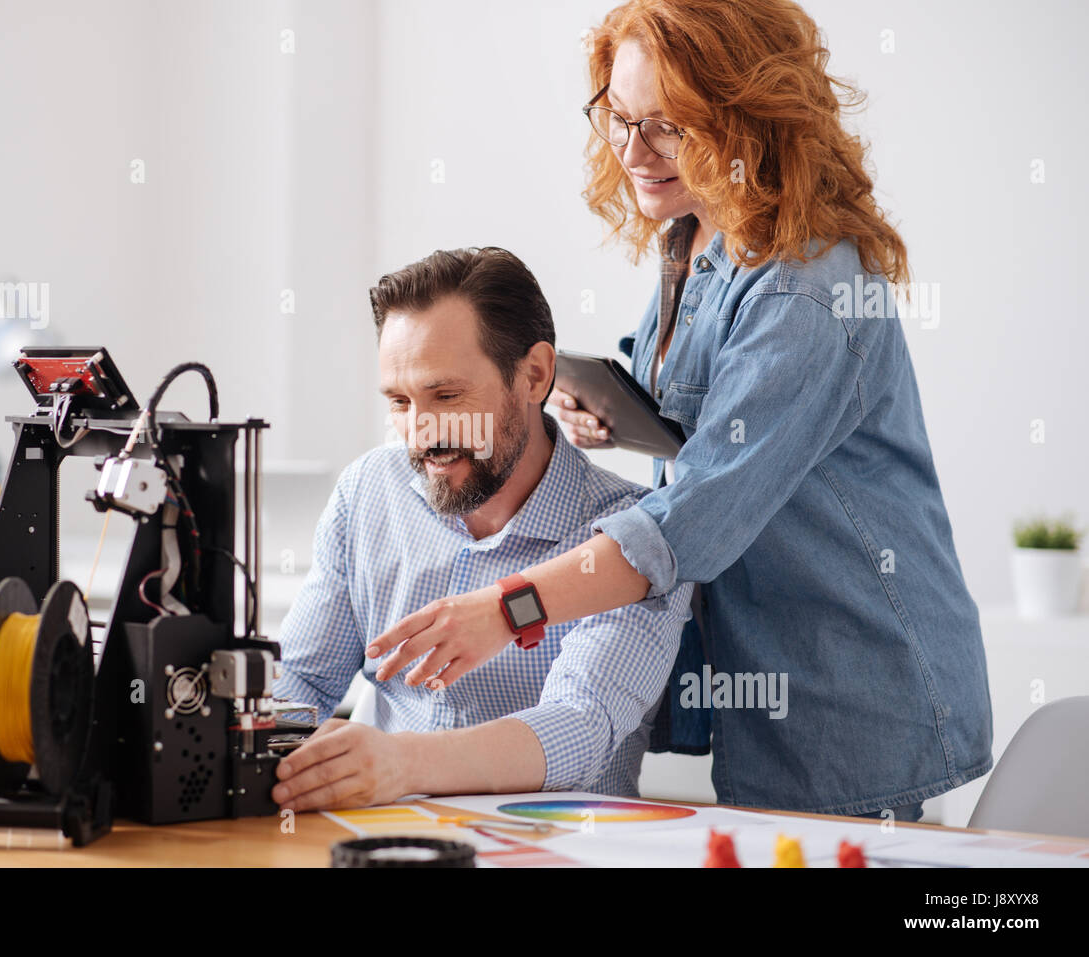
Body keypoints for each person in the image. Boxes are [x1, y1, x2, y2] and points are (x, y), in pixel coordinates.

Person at [366, 0, 992, 822]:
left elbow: (688, 520)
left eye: (667, 125)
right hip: (755, 667)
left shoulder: (808, 289)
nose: (632, 150)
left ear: (750, 119)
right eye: (619, 119)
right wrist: (622, 415)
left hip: (848, 680)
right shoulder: (692, 237)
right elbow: (710, 423)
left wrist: (508, 608)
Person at [270, 247, 692, 812]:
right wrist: (279, 761)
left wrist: (402, 763)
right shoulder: (369, 492)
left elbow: (581, 728)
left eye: (446, 397)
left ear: (534, 375)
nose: (420, 435)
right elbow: (302, 679)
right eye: (400, 401)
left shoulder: (632, 540)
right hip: (393, 843)